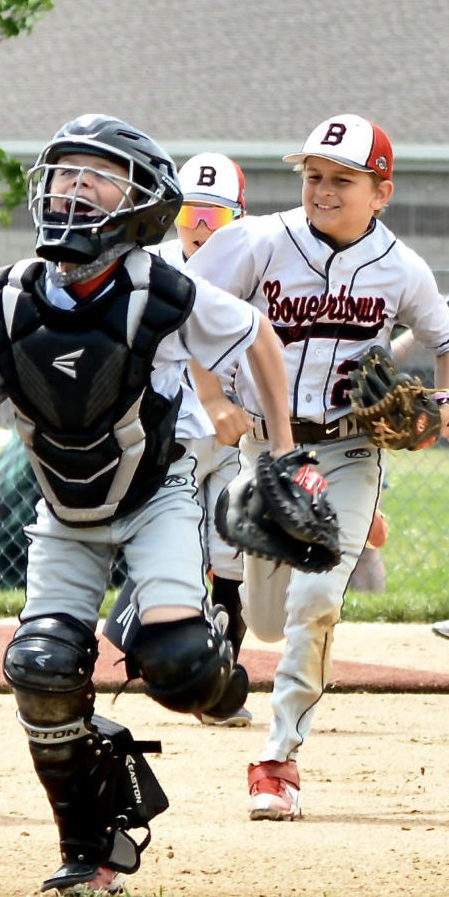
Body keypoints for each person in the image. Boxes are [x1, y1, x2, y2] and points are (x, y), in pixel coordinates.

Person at [0, 115, 299, 896]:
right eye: (62, 173)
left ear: (141, 202)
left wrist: (287, 449)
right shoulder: (8, 299)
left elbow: (259, 337)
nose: (71, 187)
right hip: (63, 516)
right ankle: (89, 848)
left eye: (94, 175)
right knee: (40, 669)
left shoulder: (163, 289)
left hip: (154, 497)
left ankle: (201, 657)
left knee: (184, 671)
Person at [188, 113, 449, 818]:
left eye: (341, 179)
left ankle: (278, 759)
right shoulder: (255, 241)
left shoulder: (401, 267)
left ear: (381, 191)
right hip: (266, 447)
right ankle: (324, 542)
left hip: (350, 446)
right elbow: (181, 308)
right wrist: (212, 394)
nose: (321, 189)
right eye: (313, 175)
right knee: (262, 620)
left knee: (314, 604)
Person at [175, 152, 254, 650]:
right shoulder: (153, 264)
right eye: (189, 213)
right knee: (174, 551)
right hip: (170, 432)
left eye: (215, 216)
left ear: (238, 221)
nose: (200, 228)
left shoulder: (259, 268)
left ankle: (223, 673)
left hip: (235, 434)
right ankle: (177, 659)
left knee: (232, 553)